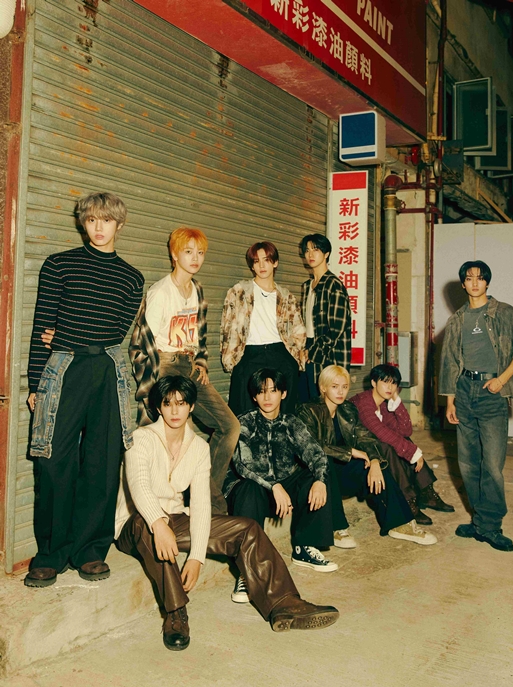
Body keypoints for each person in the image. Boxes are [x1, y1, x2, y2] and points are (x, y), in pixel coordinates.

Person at [115, 375, 339, 650]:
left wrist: (196, 557)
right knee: (149, 529)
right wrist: (158, 524)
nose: (175, 411)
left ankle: (285, 603)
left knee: (247, 529)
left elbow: (201, 504)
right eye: (168, 403)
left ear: (192, 407)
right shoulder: (141, 439)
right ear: (158, 408)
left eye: (181, 403)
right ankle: (176, 614)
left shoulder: (198, 448)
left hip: (175, 518)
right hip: (134, 524)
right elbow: (140, 487)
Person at [24, 192, 144, 588]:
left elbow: (115, 335)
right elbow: (41, 327)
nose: (98, 227)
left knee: (103, 462)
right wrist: (36, 383)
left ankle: (90, 550)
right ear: (83, 223)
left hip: (108, 371)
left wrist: (65, 335)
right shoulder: (58, 265)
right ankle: (51, 553)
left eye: (106, 220)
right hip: (64, 370)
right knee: (52, 460)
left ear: (119, 225)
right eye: (91, 220)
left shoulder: (132, 278)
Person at [129, 227, 240, 515]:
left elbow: (199, 334)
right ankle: (178, 508)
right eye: (188, 252)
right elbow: (141, 344)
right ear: (174, 254)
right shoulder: (160, 292)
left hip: (189, 366)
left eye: (200, 253)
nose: (195, 258)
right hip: (164, 365)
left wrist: (201, 361)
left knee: (230, 426)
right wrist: (153, 386)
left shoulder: (197, 290)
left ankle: (205, 497)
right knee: (175, 440)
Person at [440, 260, 513, 552]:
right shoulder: (457, 320)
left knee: (492, 465)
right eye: (469, 278)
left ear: (487, 282)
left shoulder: (505, 313)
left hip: (492, 393)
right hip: (464, 391)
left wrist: (501, 381)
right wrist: (450, 401)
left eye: (480, 278)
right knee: (468, 464)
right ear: (463, 284)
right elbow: (449, 362)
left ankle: (491, 526)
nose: (475, 283)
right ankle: (480, 521)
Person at [224, 368, 338, 602]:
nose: (267, 397)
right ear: (254, 396)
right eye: (261, 392)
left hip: (284, 485)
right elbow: (243, 465)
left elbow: (316, 453)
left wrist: (319, 481)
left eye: (273, 391)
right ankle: (247, 569)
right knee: (247, 488)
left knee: (317, 475)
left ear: (283, 394)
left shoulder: (291, 423)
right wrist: (274, 486)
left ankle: (305, 546)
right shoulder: (244, 422)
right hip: (255, 489)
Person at [297, 365, 437, 548]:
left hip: (341, 474)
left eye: (344, 387)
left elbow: (366, 438)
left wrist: (375, 461)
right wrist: (353, 452)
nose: (340, 392)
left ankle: (400, 524)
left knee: (379, 467)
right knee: (327, 462)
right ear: (323, 387)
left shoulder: (347, 409)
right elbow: (313, 447)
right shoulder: (307, 410)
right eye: (334, 386)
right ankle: (336, 528)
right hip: (315, 475)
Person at [351, 364, 455, 526]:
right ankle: (407, 500)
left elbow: (405, 430)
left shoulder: (383, 404)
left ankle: (426, 492)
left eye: (393, 383)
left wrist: (396, 402)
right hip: (355, 450)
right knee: (389, 447)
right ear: (373, 382)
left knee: (404, 442)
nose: (390, 387)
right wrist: (413, 453)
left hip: (372, 446)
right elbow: (380, 432)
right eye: (385, 382)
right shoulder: (364, 403)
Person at [220, 241, 305, 416]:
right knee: (242, 407)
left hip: (279, 351)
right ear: (252, 265)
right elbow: (227, 327)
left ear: (275, 262)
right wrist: (230, 357)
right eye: (256, 261)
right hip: (250, 352)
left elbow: (298, 329)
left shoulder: (286, 296)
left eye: (266, 260)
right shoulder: (239, 291)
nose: (262, 265)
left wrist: (296, 356)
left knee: (286, 407)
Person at [299, 234, 352, 401]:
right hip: (309, 348)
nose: (310, 254)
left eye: (316, 250)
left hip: (329, 352)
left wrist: (313, 352)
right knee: (309, 402)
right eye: (307, 250)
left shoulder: (333, 285)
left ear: (326, 253)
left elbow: (336, 328)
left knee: (326, 402)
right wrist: (303, 349)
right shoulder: (307, 286)